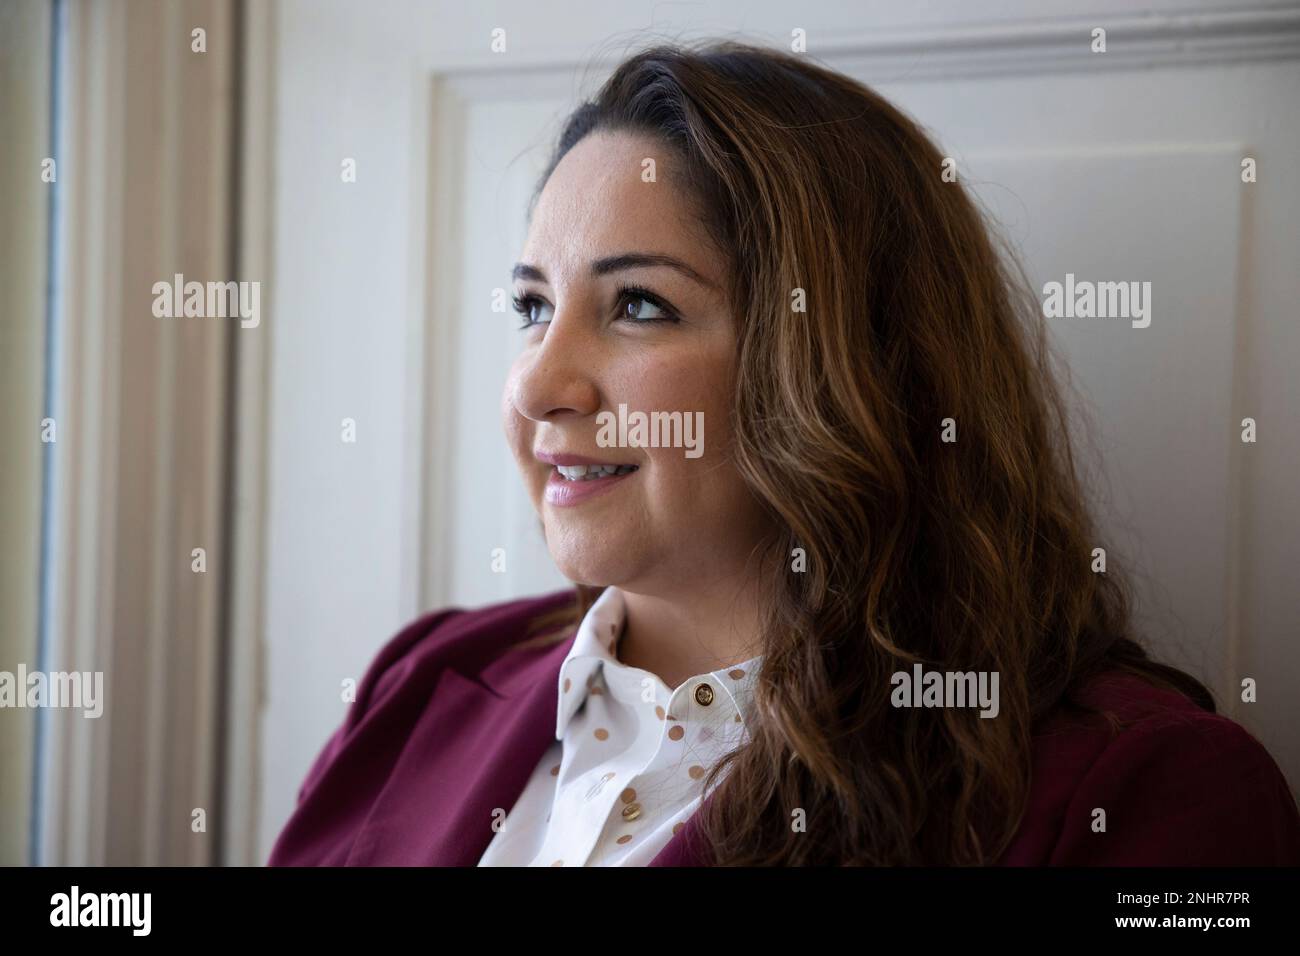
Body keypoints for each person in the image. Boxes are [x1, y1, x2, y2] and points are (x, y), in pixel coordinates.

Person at [268, 41, 1300, 866]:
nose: (538, 384)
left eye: (638, 305)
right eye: (532, 304)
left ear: (842, 359)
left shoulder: (1137, 788)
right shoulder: (426, 675)